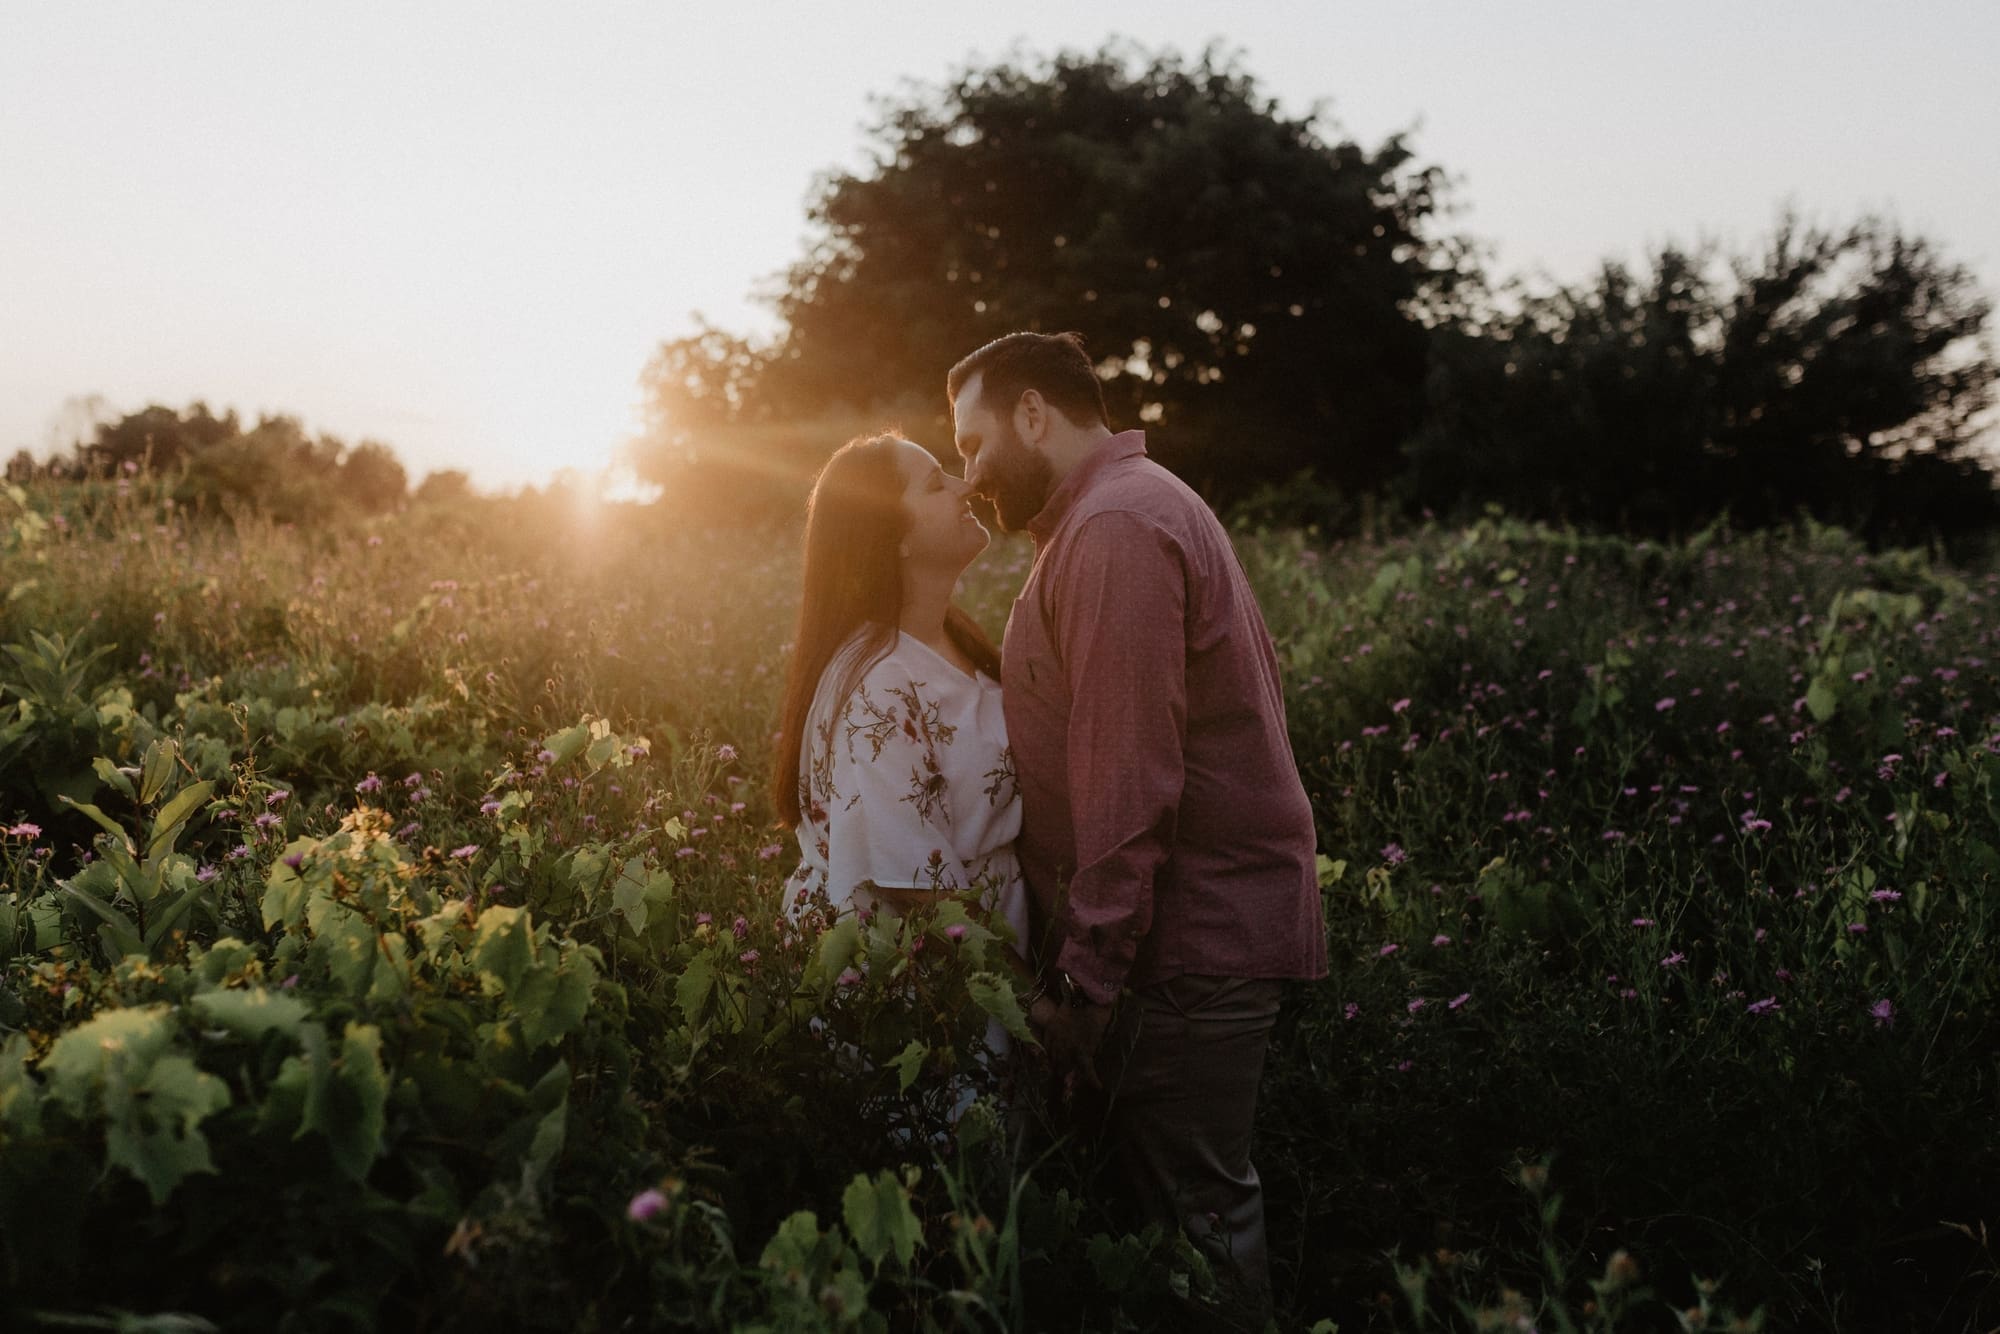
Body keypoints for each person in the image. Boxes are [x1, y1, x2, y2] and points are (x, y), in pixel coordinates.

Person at [946, 331, 1328, 1320]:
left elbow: (1130, 777)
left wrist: (1084, 981)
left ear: (1034, 413)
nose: (969, 475)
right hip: (1172, 946)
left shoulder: (1116, 527)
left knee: (1198, 1235)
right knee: (1172, 1234)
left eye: (974, 444)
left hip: (1181, 951)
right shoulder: (1116, 514)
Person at [773, 430, 1030, 972]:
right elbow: (919, 888)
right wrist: (1038, 1001)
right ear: (893, 538)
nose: (967, 486)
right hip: (919, 973)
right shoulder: (879, 684)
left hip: (987, 947)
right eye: (937, 484)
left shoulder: (953, 638)